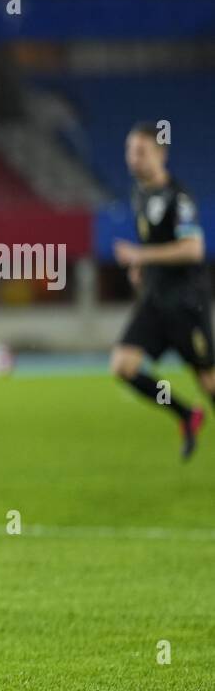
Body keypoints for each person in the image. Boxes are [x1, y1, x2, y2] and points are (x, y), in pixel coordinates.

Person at [110, 122, 211, 459]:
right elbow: (154, 241)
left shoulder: (178, 198)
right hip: (154, 302)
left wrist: (141, 255)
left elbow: (193, 248)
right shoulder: (140, 193)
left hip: (185, 304)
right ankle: (186, 415)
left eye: (141, 152)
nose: (133, 159)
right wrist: (143, 268)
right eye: (129, 151)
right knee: (123, 365)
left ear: (161, 154)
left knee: (210, 383)